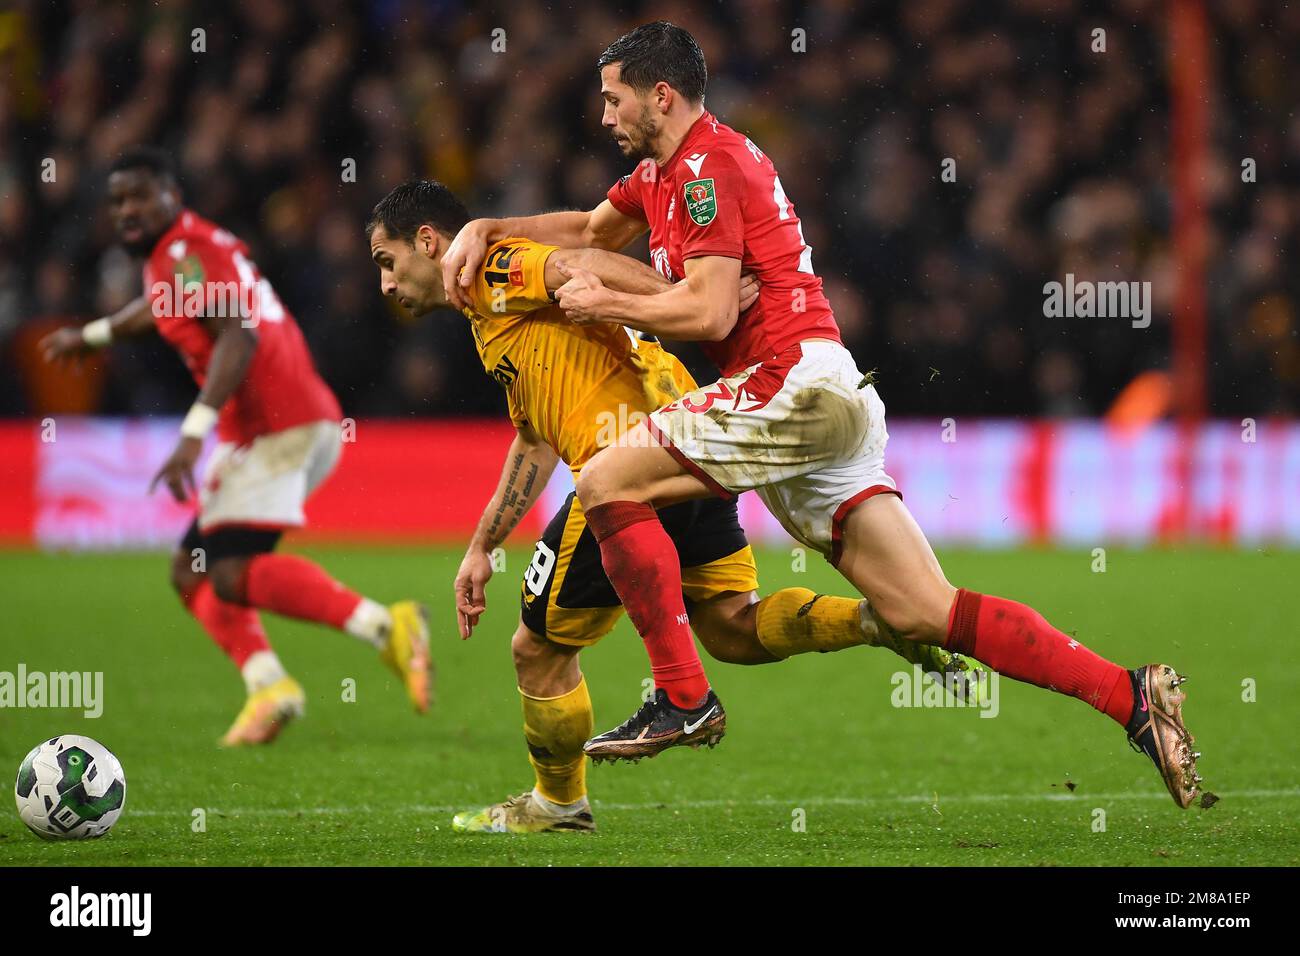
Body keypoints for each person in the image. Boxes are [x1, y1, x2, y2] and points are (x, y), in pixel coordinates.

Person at [438, 23, 1202, 808]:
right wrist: (490, 227)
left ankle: (682, 697)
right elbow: (591, 230)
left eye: (613, 98)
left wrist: (612, 298)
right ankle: (1130, 695)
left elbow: (703, 313)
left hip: (789, 380)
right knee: (923, 610)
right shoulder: (658, 177)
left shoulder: (708, 166)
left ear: (659, 96)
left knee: (603, 481)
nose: (604, 116)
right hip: (824, 396)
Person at [366, 179, 979, 832]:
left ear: (427, 242)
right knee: (729, 627)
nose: (385, 284)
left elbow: (582, 263)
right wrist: (483, 546)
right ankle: (877, 621)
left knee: (536, 651)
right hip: (686, 444)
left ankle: (559, 802)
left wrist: (687, 300)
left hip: (629, 469)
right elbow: (534, 438)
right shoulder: (490, 320)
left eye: (386, 261)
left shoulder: (492, 266)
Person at [41, 147, 431, 746]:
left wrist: (190, 435)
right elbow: (162, 308)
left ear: (172, 194)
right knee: (191, 570)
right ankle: (269, 684)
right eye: (117, 200)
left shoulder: (185, 251)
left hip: (277, 425)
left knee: (226, 571)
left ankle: (387, 626)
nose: (127, 210)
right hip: (274, 425)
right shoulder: (183, 254)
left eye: (140, 196)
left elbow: (237, 338)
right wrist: (92, 335)